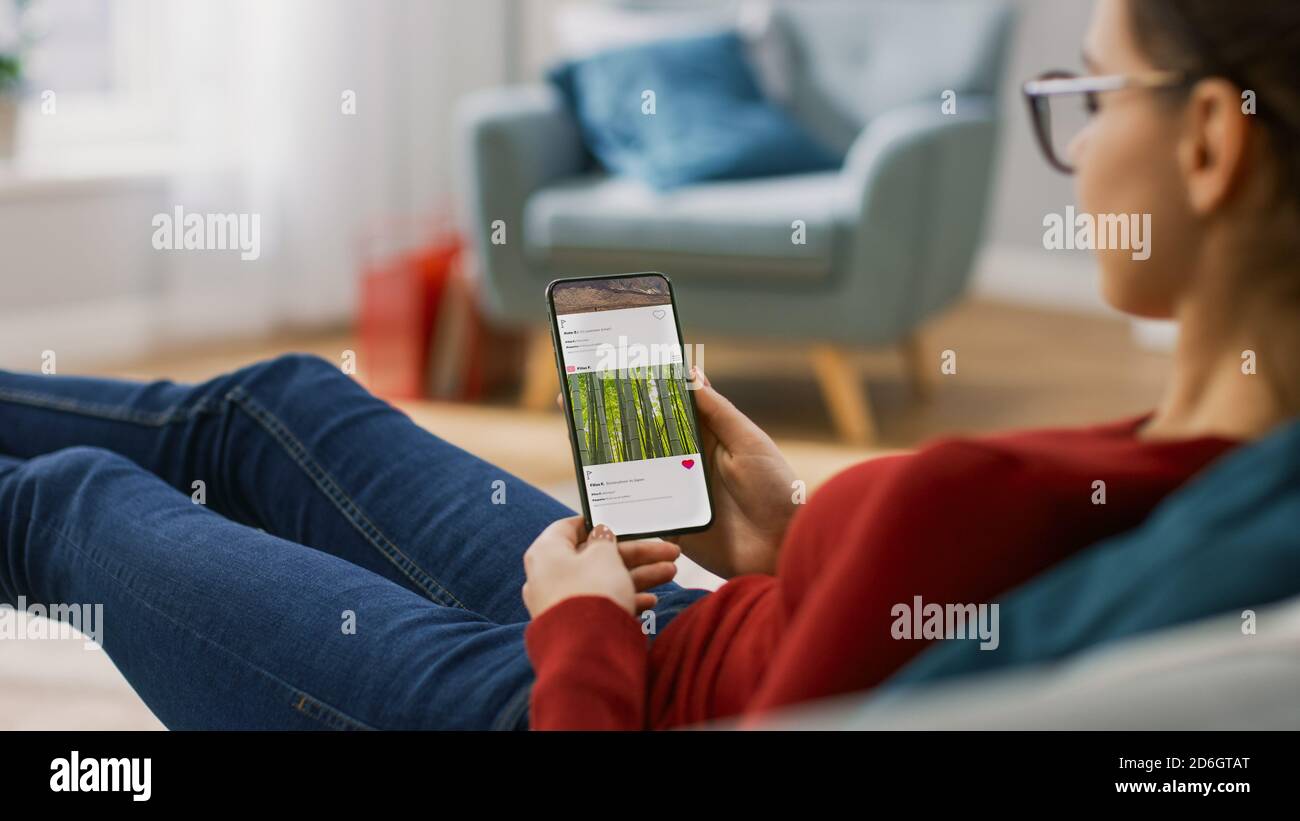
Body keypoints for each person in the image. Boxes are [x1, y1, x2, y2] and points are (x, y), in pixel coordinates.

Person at [1, 0, 1297, 730]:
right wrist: (796, 543)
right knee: (278, 403)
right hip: (668, 626)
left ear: (1204, 145)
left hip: (580, 695)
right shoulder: (1213, 469)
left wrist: (575, 630)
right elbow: (965, 625)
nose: (1069, 142)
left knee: (71, 505)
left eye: (1090, 98)